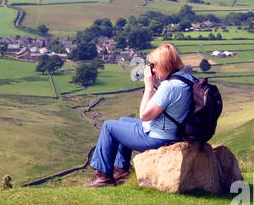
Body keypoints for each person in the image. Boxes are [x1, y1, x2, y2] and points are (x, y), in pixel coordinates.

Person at [83, 43, 194, 187]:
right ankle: (121, 169)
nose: (152, 69)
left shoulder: (170, 87)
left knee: (109, 126)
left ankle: (103, 176)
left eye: (153, 65)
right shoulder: (186, 79)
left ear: (163, 65)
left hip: (158, 138)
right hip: (173, 132)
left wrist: (148, 87)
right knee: (123, 121)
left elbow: (145, 116)